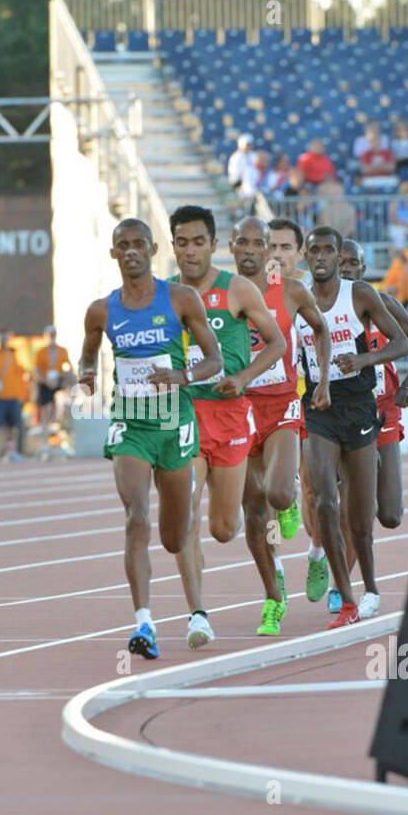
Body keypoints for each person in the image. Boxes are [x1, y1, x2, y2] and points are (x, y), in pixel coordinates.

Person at [78, 217, 222, 660]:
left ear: (153, 248)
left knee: (177, 535)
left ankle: (198, 613)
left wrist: (183, 375)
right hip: (132, 425)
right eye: (123, 245)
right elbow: (88, 353)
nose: (132, 252)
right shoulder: (101, 310)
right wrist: (86, 375)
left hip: (174, 424)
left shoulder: (181, 298)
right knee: (136, 516)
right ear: (114, 254)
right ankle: (144, 621)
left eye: (139, 244)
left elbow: (214, 360)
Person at [169, 206, 286, 648]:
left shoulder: (235, 289)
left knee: (222, 528)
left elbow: (275, 343)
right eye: (182, 242)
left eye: (198, 242)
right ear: (173, 245)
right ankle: (198, 614)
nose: (190, 250)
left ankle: (234, 509)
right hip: (184, 414)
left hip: (231, 415)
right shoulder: (167, 295)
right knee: (184, 515)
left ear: (213, 246)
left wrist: (243, 377)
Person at [295, 227, 408, 627]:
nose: (323, 257)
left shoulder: (359, 294)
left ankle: (371, 588)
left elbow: (403, 344)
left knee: (363, 519)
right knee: (325, 500)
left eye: (330, 250)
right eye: (316, 251)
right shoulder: (296, 297)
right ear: (305, 257)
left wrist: (362, 362)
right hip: (320, 407)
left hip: (361, 410)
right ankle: (344, 600)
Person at [231, 215, 331, 635]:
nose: (262, 252)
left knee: (278, 492)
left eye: (268, 244)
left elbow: (321, 329)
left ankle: (288, 503)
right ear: (234, 247)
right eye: (250, 243)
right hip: (237, 408)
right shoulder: (220, 293)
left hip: (282, 404)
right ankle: (273, 596)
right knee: (254, 512)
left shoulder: (290, 291)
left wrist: (323, 379)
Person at [338, 240, 408, 539]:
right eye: (341, 263)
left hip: (383, 411)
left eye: (353, 263)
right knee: (348, 506)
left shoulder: (383, 303)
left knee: (390, 515)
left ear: (363, 269)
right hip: (343, 413)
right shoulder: (321, 307)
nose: (347, 268)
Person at [0, 332, 28, 463]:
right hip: (0, 397)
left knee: (13, 426)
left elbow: (21, 374)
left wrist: (22, 395)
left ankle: (11, 451)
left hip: (13, 396)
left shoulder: (13, 357)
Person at [33, 326, 72, 449]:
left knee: (59, 410)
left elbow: (69, 368)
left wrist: (62, 378)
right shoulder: (41, 352)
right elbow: (36, 371)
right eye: (50, 335)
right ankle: (45, 442)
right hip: (46, 384)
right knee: (46, 411)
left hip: (59, 383)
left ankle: (61, 440)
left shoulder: (62, 351)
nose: (52, 337)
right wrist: (45, 381)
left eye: (53, 334)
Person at [227, 133, 260, 203]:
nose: (249, 147)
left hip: (254, 184)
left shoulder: (254, 156)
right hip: (241, 185)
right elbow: (234, 174)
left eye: (250, 145)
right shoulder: (236, 157)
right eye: (247, 145)